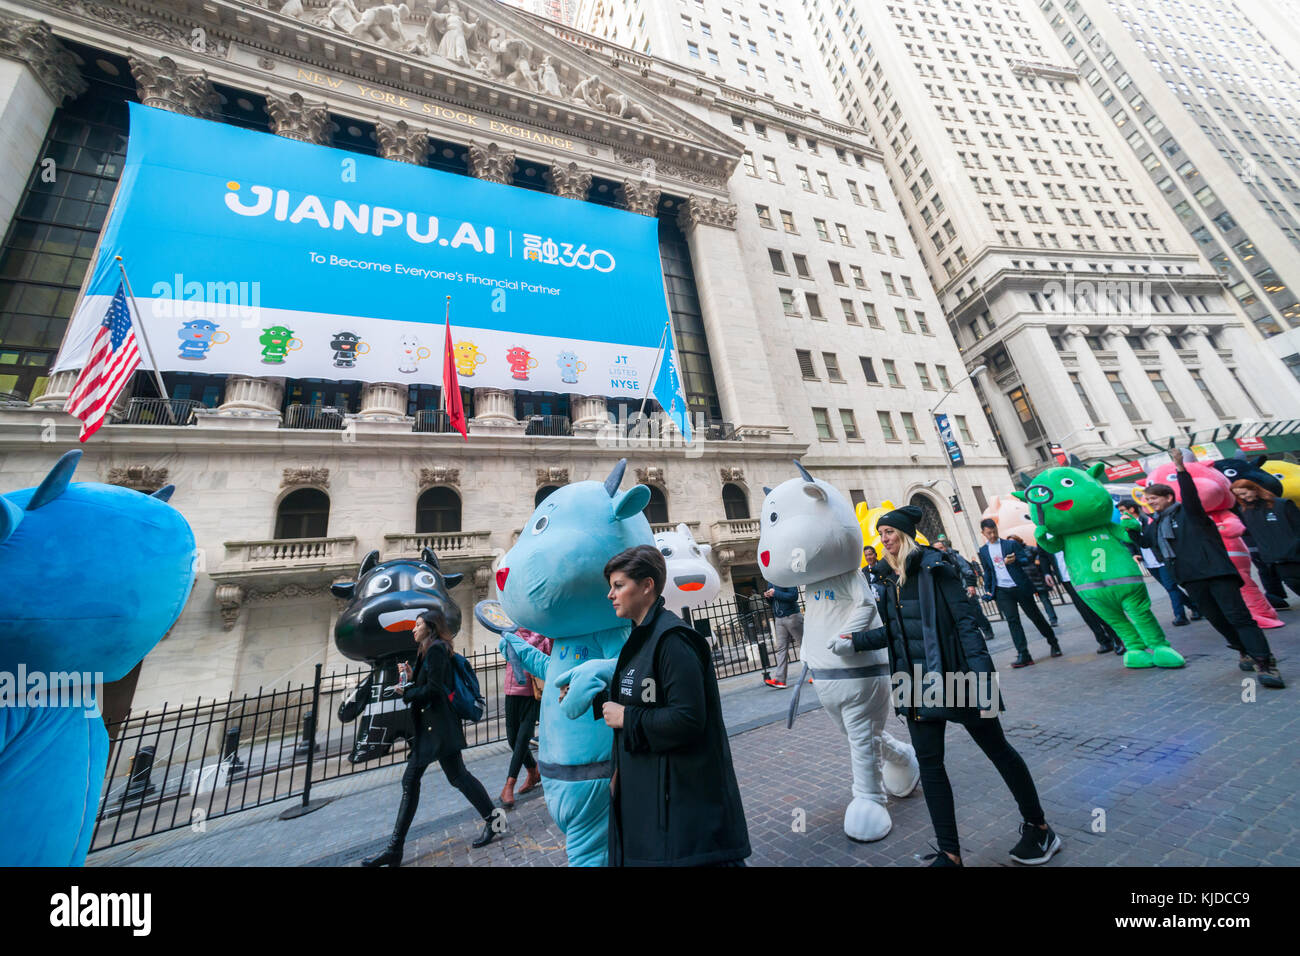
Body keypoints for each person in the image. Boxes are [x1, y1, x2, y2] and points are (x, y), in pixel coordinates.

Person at [830, 507, 1061, 866]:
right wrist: (856, 641)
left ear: (905, 534)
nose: (884, 538)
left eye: (889, 531)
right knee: (931, 766)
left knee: (998, 750)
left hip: (955, 674)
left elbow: (966, 623)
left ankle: (1040, 827)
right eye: (881, 533)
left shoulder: (936, 568)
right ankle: (950, 854)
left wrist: (984, 679)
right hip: (912, 681)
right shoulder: (887, 579)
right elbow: (896, 632)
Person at [596, 545, 751, 866]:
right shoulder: (641, 639)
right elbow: (640, 699)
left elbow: (687, 718)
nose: (611, 595)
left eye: (619, 585)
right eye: (611, 587)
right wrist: (598, 699)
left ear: (647, 585)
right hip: (648, 796)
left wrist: (627, 717)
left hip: (679, 809)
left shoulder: (673, 641)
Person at [362, 610, 502, 866]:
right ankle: (395, 849)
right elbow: (429, 681)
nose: (413, 629)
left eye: (417, 625)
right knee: (448, 778)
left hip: (437, 730)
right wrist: (413, 676)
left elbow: (435, 690)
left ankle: (395, 849)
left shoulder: (437, 649)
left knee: (449, 778)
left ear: (430, 627)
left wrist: (407, 692)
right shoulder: (426, 650)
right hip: (432, 730)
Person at [1145, 449, 1284, 688]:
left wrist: (1180, 468)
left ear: (1169, 497)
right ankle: (1243, 650)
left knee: (1239, 617)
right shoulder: (1156, 524)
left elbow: (1189, 495)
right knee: (1217, 620)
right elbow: (1148, 544)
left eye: (1154, 498)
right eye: (1147, 500)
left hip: (1216, 573)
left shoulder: (1190, 512)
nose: (1150, 503)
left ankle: (1265, 663)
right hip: (1190, 579)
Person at [977, 518, 1061, 667]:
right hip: (1003, 591)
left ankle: (1053, 642)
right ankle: (1024, 654)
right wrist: (989, 590)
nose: (992, 535)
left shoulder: (1010, 544)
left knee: (1035, 616)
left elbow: (1026, 559)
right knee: (1012, 622)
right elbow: (988, 571)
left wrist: (1015, 560)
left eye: (994, 531)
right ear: (983, 533)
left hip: (1020, 587)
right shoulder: (983, 551)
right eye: (988, 533)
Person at [1117, 499, 1201, 626]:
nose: (1121, 514)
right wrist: (1134, 553)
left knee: (1171, 587)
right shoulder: (1126, 524)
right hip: (1149, 563)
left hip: (1162, 560)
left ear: (1132, 510)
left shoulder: (1149, 521)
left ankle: (1180, 615)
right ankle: (1195, 607)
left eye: (1122, 511)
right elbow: (1128, 542)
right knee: (1170, 588)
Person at [498, 626, 551, 810]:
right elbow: (514, 652)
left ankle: (509, 785)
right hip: (512, 692)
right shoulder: (511, 635)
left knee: (522, 739)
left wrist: (541, 635)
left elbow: (545, 661)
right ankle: (533, 771)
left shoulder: (542, 636)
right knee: (512, 740)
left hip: (532, 695)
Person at [1232, 478, 1300, 599]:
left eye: (1244, 493)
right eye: (1239, 495)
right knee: (1293, 584)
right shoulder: (1245, 512)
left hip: (1294, 555)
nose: (1243, 497)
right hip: (1276, 560)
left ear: (1254, 489)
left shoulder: (1282, 504)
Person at [932, 535, 995, 642]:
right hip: (951, 593)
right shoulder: (935, 561)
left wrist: (970, 585)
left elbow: (967, 570)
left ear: (945, 548)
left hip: (964, 589)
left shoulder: (954, 556)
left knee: (976, 612)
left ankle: (987, 630)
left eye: (941, 548)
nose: (940, 551)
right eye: (937, 549)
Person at [1006, 534, 1060, 627]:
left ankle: (1053, 619)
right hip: (1025, 580)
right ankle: (1041, 622)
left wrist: (1037, 560)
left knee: (1045, 599)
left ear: (1018, 541)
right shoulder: (1011, 554)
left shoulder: (1029, 548)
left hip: (1036, 577)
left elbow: (1041, 553)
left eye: (1013, 541)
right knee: (1031, 604)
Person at [762, 578, 802, 688]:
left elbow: (794, 596)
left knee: (804, 645)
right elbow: (773, 602)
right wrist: (768, 597)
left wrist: (776, 593)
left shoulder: (787, 578)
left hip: (792, 616)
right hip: (779, 619)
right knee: (781, 649)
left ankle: (817, 673)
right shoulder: (770, 581)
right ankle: (780, 680)